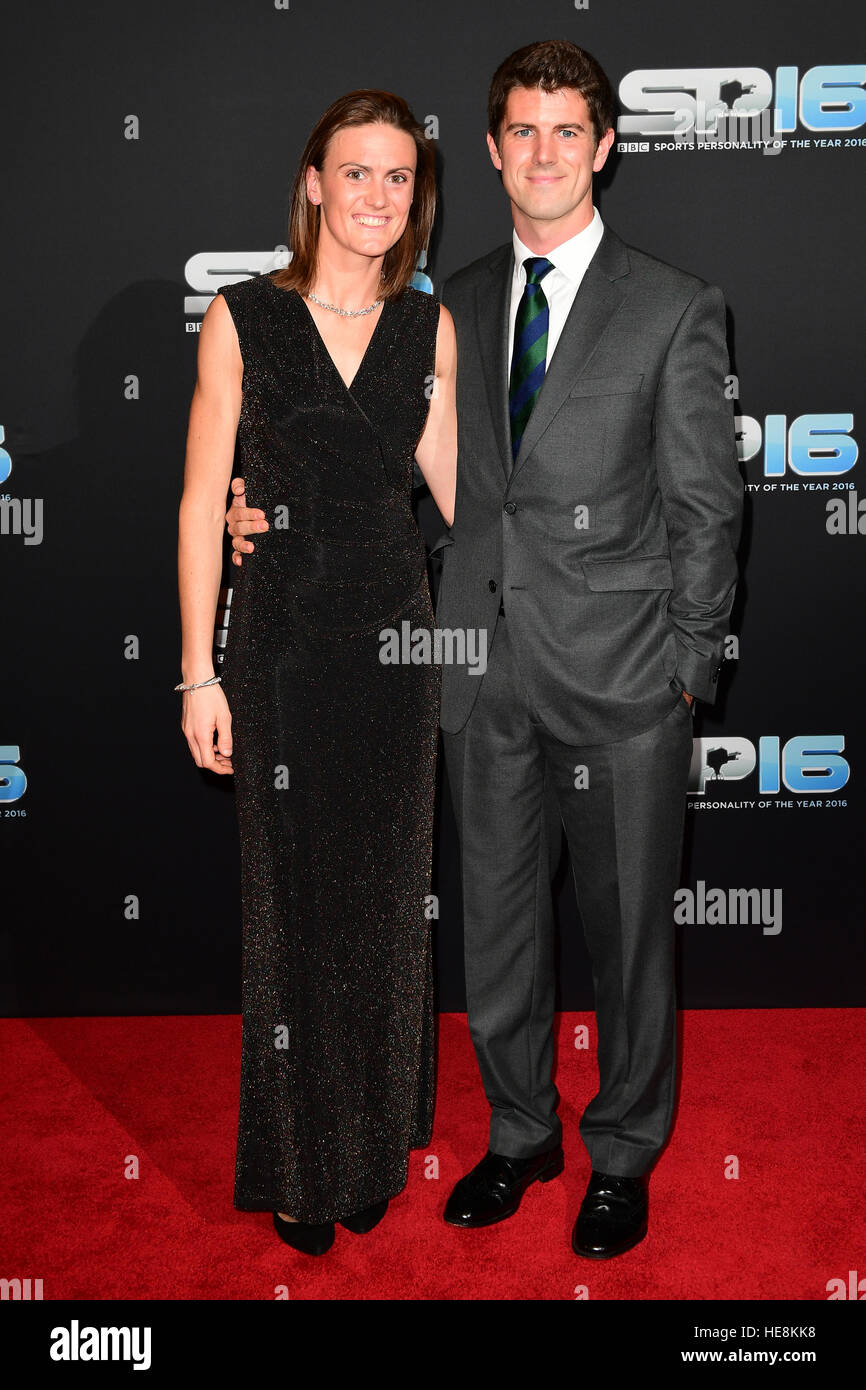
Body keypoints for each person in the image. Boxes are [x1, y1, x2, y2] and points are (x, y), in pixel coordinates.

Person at [226, 39, 743, 1260]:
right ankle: (519, 1134)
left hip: (623, 683)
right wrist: (266, 512)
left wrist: (685, 670)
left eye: (568, 132)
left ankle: (621, 1151)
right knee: (498, 934)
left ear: (604, 149)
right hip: (474, 673)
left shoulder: (673, 305)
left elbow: (708, 508)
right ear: (494, 147)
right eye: (521, 131)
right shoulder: (440, 301)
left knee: (627, 945)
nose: (543, 154)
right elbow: (378, 463)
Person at [177, 89, 457, 1257]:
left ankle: (368, 1147)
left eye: (397, 177)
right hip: (281, 650)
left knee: (385, 913)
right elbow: (201, 501)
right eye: (356, 173)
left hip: (395, 655)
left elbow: (463, 502)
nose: (377, 197)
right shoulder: (242, 319)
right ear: (311, 182)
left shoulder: (427, 331)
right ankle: (301, 1165)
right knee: (291, 914)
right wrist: (197, 672)